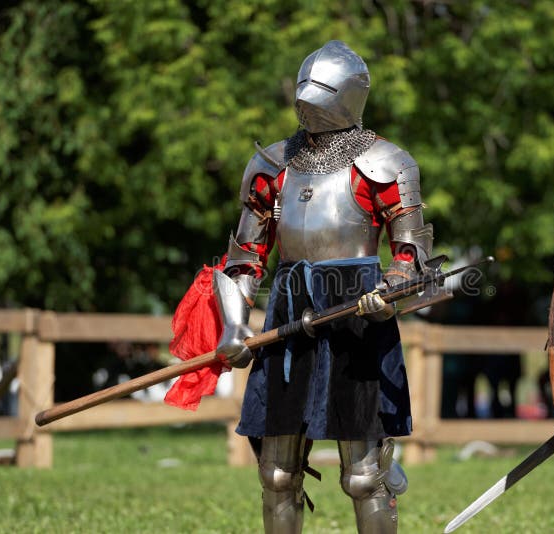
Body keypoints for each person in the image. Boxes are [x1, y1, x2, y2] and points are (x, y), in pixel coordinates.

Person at [213, 40, 434, 534]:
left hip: (357, 311)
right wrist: (233, 324)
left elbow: (411, 255)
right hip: (290, 312)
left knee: (362, 475)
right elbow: (244, 258)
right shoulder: (272, 165)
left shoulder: (385, 163)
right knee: (276, 472)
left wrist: (391, 290)